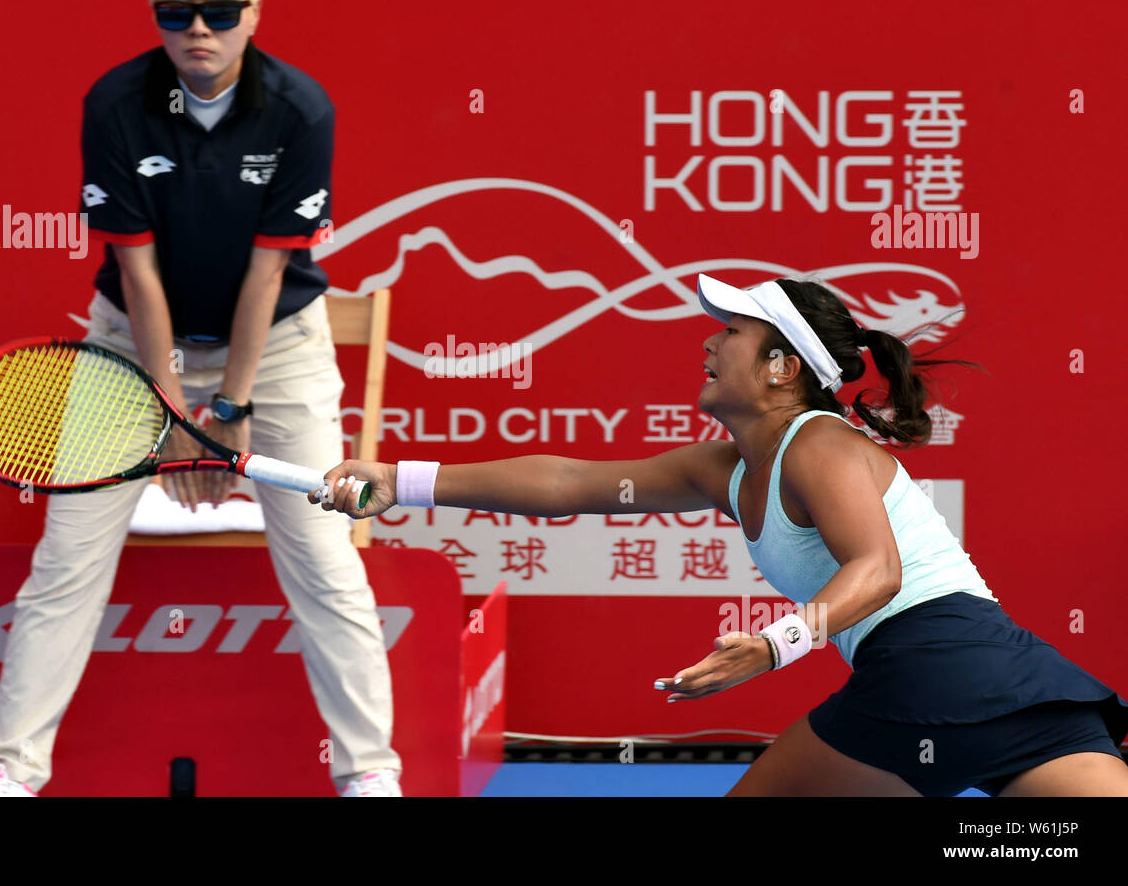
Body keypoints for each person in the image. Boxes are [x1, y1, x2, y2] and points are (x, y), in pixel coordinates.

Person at [314, 273, 1128, 796]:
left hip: (931, 661)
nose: (709, 340)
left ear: (781, 368)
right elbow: (571, 483)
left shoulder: (819, 443)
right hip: (1009, 674)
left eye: (732, 331)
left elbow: (876, 569)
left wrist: (776, 642)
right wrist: (405, 479)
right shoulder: (727, 465)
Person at [0, 0, 402, 797]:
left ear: (254, 15)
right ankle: (9, 772)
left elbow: (266, 272)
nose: (198, 28)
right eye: (177, 9)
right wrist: (166, 412)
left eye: (220, 9)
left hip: (275, 345)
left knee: (323, 556)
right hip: (132, 339)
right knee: (68, 555)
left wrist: (226, 411)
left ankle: (369, 776)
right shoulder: (116, 104)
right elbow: (139, 269)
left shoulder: (301, 111)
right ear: (158, 15)